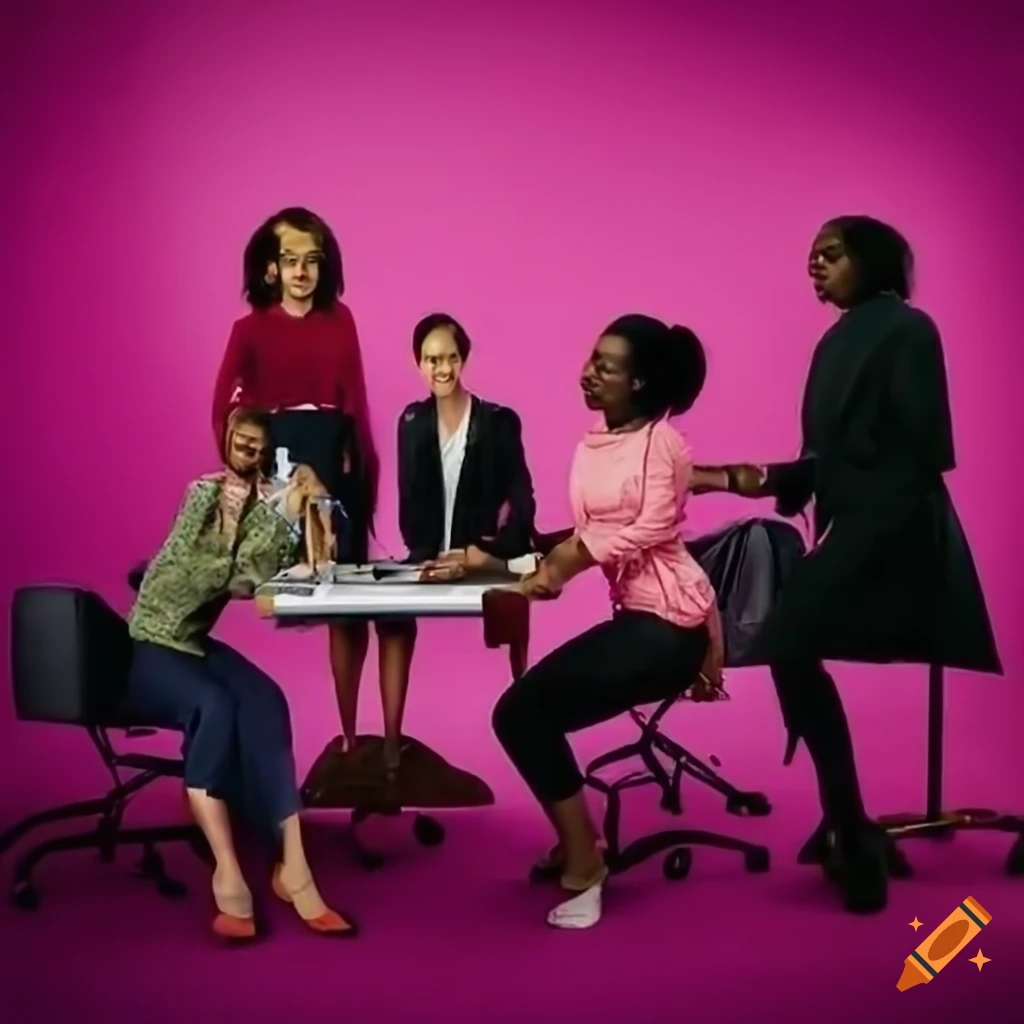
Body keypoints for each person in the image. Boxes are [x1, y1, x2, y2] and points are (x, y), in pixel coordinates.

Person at [694, 215, 1002, 914]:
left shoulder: (909, 329)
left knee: (789, 640)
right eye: (811, 258)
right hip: (855, 523)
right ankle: (849, 822)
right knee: (789, 649)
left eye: (830, 254)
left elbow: (922, 451)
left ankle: (853, 832)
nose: (816, 267)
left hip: (896, 526)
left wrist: (851, 532)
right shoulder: (835, 340)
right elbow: (819, 465)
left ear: (872, 260)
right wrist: (722, 478)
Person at [490, 314, 725, 930]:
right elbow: (586, 532)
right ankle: (579, 844)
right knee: (526, 715)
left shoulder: (664, 444)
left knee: (521, 714)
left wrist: (568, 562)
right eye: (591, 360)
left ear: (641, 383)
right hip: (637, 616)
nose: (588, 374)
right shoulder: (596, 442)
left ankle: (587, 867)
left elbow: (651, 527)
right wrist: (502, 557)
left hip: (672, 624)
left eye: (607, 366)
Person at [128, 408, 357, 942]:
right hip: (153, 638)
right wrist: (272, 526)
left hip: (193, 641)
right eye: (242, 444)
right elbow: (212, 572)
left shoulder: (264, 507)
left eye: (257, 449)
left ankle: (294, 869)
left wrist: (312, 506)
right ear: (229, 439)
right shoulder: (202, 494)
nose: (248, 454)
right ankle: (228, 872)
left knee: (265, 699)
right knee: (216, 705)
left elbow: (299, 567)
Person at [210, 206, 383, 761]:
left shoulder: (342, 319)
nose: (302, 272)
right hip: (278, 453)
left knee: (349, 602)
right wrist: (253, 467)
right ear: (269, 269)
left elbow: (355, 396)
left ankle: (352, 734)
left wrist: (359, 458)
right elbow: (224, 407)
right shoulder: (248, 330)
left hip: (334, 447)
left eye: (312, 261)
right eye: (290, 261)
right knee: (281, 580)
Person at [343, 313, 538, 778]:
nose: (442, 368)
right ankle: (391, 745)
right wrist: (426, 557)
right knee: (388, 614)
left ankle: (531, 732)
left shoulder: (498, 421)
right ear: (418, 364)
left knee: (509, 607)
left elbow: (523, 501)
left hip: (486, 558)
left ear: (463, 359)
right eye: (431, 359)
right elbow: (410, 506)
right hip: (430, 559)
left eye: (450, 357)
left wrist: (481, 556)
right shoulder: (411, 421)